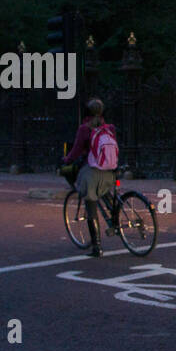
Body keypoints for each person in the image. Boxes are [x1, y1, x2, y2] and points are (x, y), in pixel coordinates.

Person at [61, 98, 118, 257]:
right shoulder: (110, 128)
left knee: (90, 203)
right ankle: (116, 219)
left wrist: (66, 160)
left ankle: (96, 247)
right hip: (110, 171)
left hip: (92, 172)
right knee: (107, 191)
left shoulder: (84, 129)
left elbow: (76, 152)